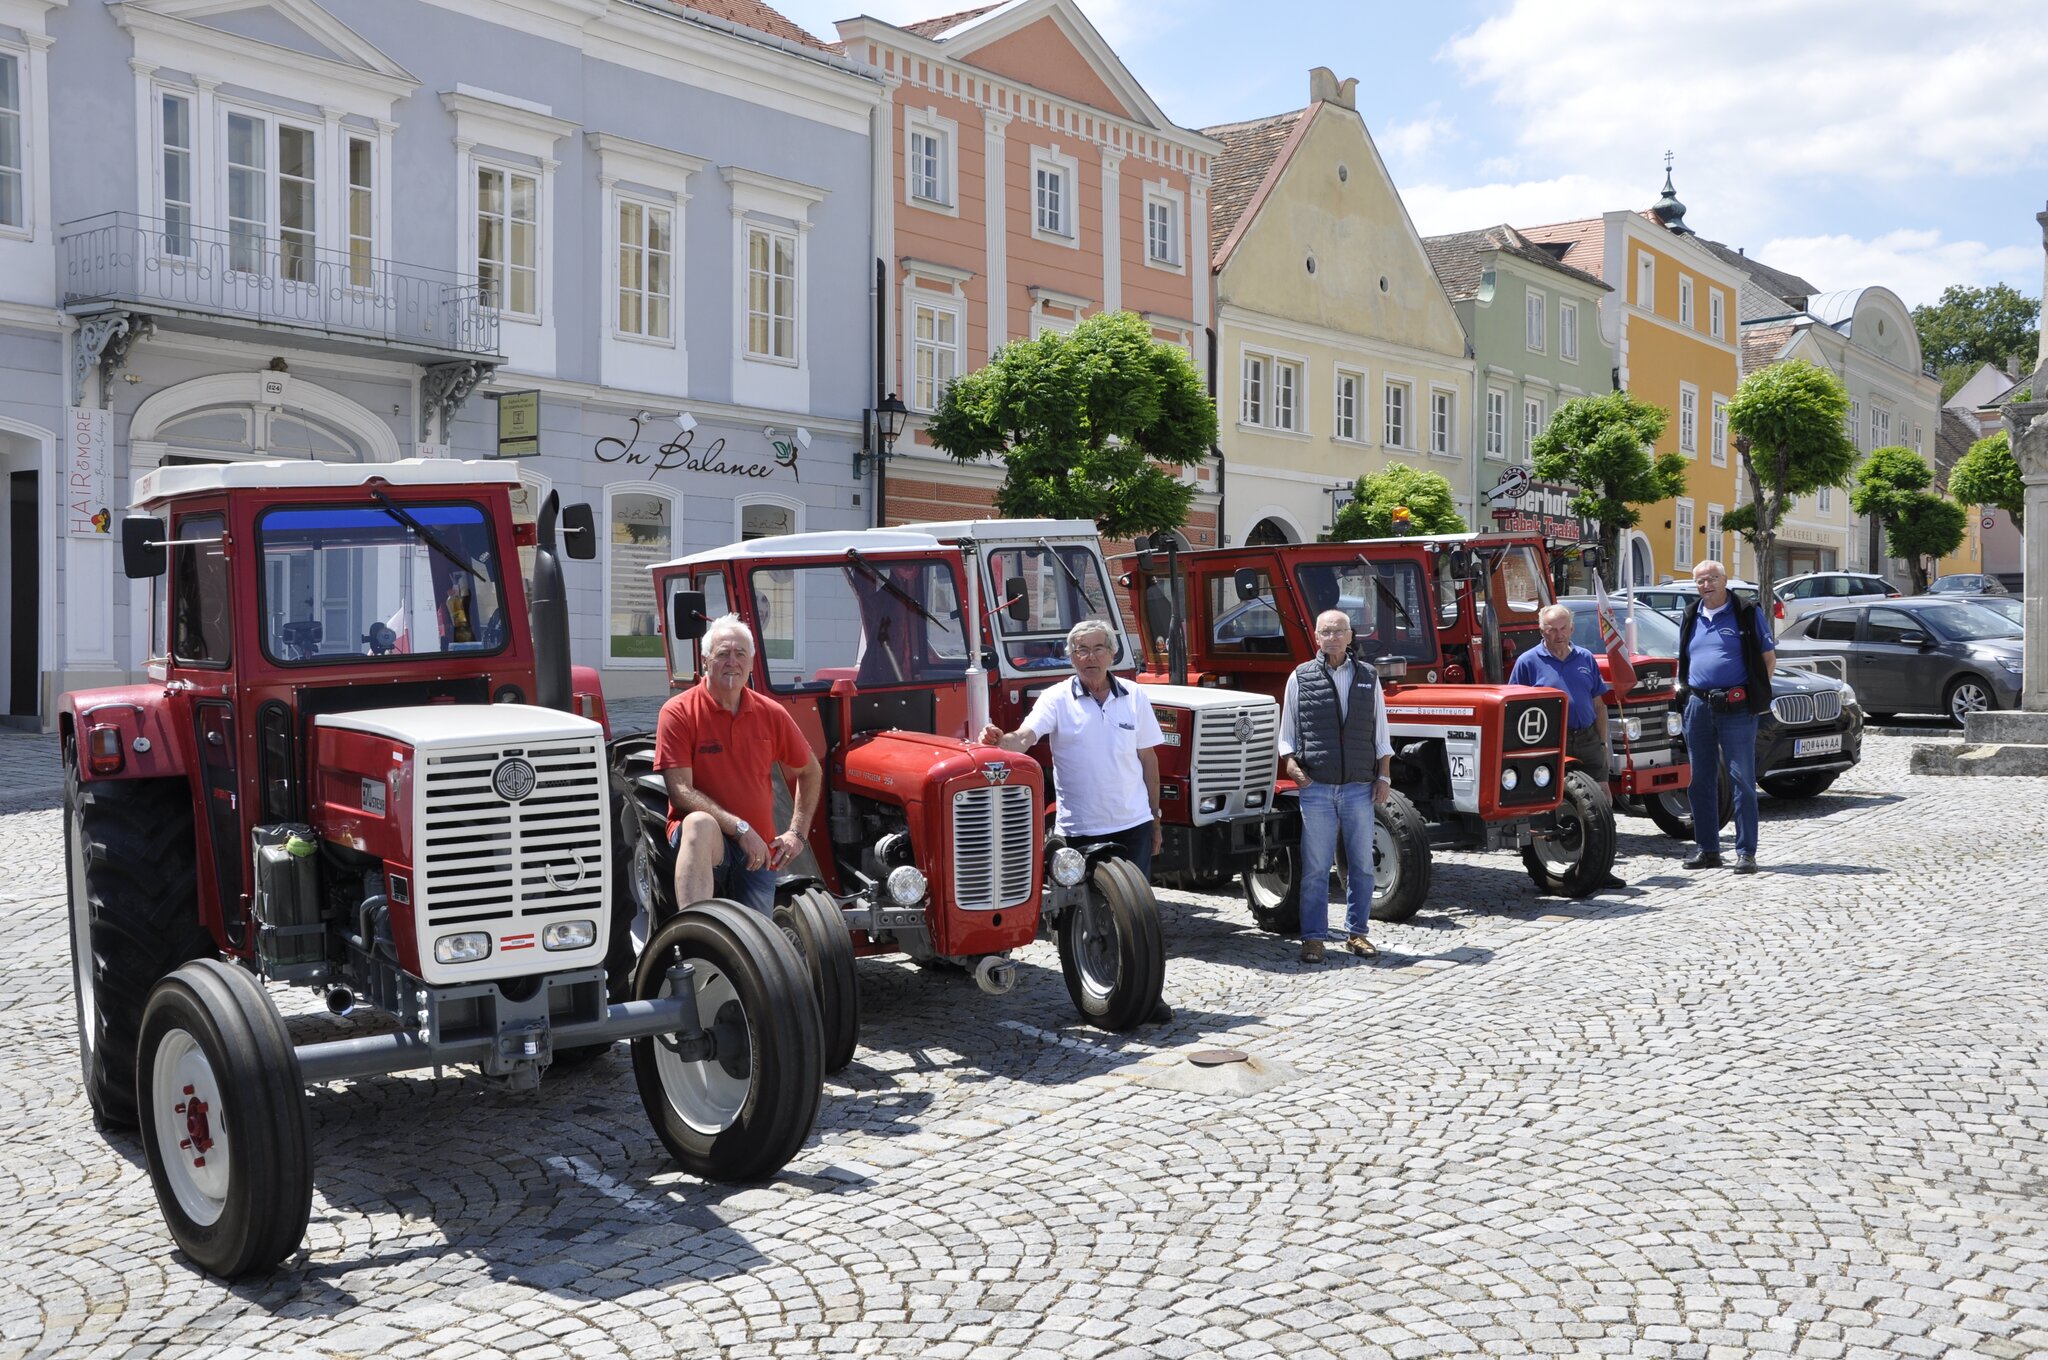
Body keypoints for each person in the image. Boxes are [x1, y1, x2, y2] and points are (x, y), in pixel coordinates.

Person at [654, 613, 823, 913]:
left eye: (740, 654)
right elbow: (679, 791)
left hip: (759, 851)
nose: (732, 661)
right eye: (723, 654)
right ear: (705, 661)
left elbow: (810, 771)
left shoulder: (771, 713)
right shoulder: (678, 712)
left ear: (751, 663)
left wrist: (797, 834)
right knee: (699, 824)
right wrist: (740, 829)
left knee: (757, 951)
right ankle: (697, 937)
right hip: (709, 840)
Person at [978, 618, 1164, 877]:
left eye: (1099, 648)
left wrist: (1154, 819)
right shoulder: (1055, 698)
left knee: (1135, 912)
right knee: (1082, 909)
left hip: (1134, 825)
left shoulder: (1135, 695)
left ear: (1112, 654)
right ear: (1072, 658)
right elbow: (1024, 737)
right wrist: (998, 741)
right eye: (1082, 650)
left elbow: (1148, 760)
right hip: (1080, 829)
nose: (1091, 657)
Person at [1278, 609, 1392, 964]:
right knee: (1315, 867)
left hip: (1359, 785)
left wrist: (1384, 775)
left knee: (1361, 865)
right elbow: (1288, 730)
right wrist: (1291, 764)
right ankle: (1313, 938)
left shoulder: (1368, 676)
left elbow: (1381, 731)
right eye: (1326, 632)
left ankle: (1357, 934)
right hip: (1317, 787)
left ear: (1350, 635)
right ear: (1315, 637)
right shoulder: (1300, 676)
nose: (1332, 638)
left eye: (1339, 631)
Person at [1510, 604, 1626, 890]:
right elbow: (1514, 707)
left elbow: (1599, 705)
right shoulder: (1527, 661)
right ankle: (1550, 863)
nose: (1558, 634)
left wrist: (1601, 743)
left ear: (1572, 629)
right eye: (1552, 629)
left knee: (1601, 802)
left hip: (1587, 739)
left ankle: (1603, 868)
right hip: (1550, 743)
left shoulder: (1585, 658)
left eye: (1563, 628)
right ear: (1541, 630)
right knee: (1551, 803)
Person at [1676, 559, 1776, 874]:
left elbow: (1768, 658)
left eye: (1712, 579)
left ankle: (1746, 852)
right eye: (1701, 581)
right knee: (1700, 781)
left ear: (1725, 579)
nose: (1707, 585)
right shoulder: (1691, 614)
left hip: (1737, 706)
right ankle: (1708, 850)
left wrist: (1755, 694)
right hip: (1699, 705)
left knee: (1741, 780)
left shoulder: (1746, 612)